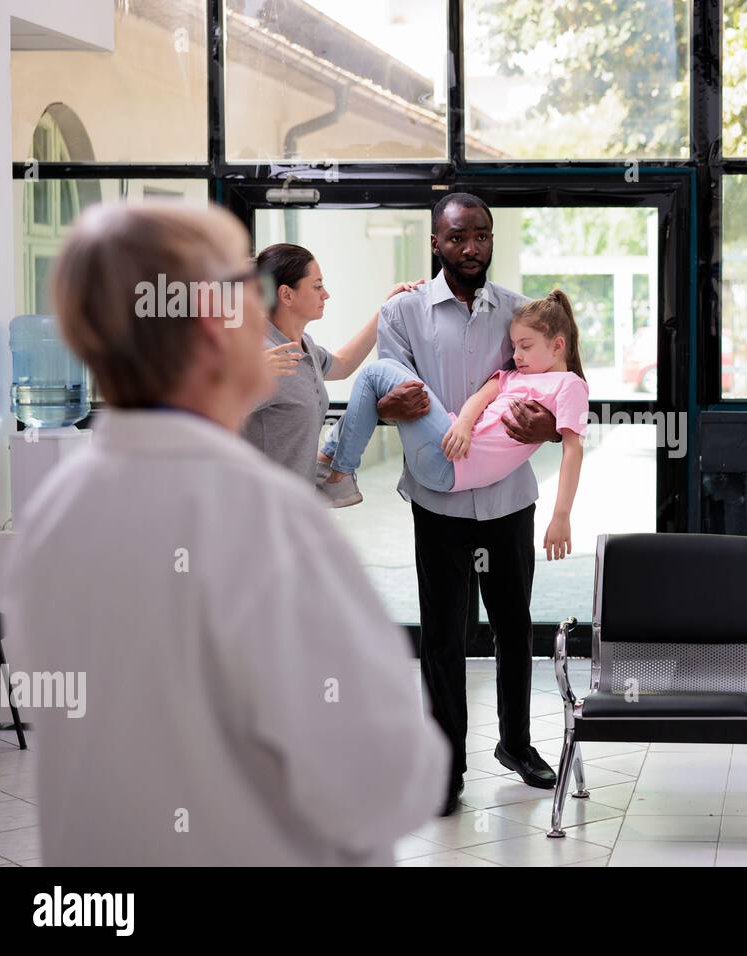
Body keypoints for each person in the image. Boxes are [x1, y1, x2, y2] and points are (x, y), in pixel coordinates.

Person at [8, 203, 449, 865]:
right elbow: (387, 781)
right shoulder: (266, 518)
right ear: (214, 327)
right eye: (250, 291)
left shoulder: (53, 513)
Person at [373, 192, 564, 814]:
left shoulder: (515, 310)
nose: (471, 248)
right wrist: (389, 408)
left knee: (515, 630)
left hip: (509, 500)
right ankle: (445, 769)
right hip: (437, 502)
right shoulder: (402, 313)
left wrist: (545, 427)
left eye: (481, 236)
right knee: (442, 639)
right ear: (436, 243)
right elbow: (385, 391)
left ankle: (517, 745)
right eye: (458, 238)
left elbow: (550, 385)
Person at [317, 290, 589, 559]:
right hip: (445, 447)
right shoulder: (514, 376)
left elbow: (573, 451)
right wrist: (463, 426)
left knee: (375, 371)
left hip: (450, 465)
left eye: (525, 346)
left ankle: (337, 465)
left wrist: (561, 517)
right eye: (514, 346)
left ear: (557, 345)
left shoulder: (569, 385)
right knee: (376, 375)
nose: (516, 355)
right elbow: (479, 398)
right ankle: (337, 465)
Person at [241, 241, 421, 484]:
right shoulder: (260, 354)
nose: (326, 294)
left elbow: (344, 364)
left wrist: (385, 310)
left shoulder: (305, 346)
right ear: (286, 294)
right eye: (317, 286)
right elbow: (209, 420)